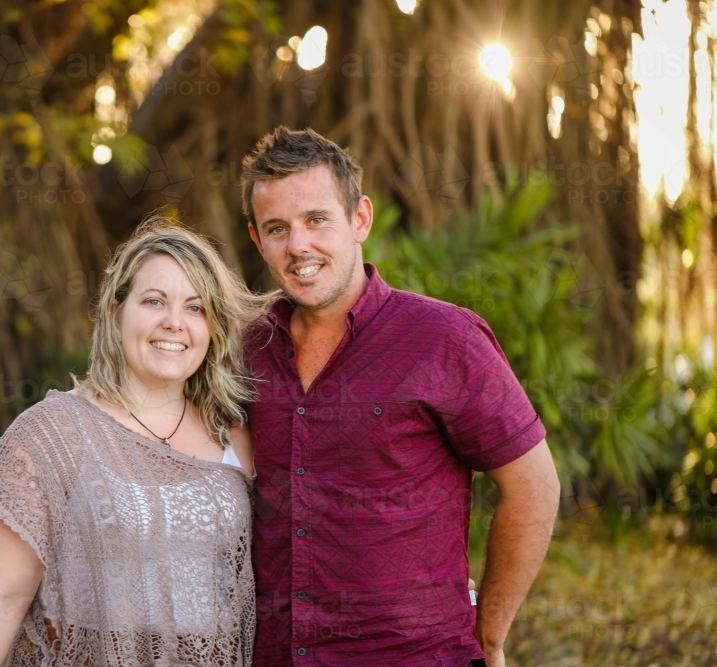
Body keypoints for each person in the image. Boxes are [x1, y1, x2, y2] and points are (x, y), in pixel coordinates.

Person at [239, 126, 562, 667]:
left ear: (359, 218)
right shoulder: (245, 350)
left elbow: (533, 488)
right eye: (278, 228)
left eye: (317, 219)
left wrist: (490, 635)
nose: (298, 246)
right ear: (257, 240)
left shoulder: (444, 339)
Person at [0, 217, 270, 667]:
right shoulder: (52, 435)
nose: (174, 322)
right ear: (116, 311)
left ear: (213, 327)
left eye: (196, 308)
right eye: (154, 301)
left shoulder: (236, 435)